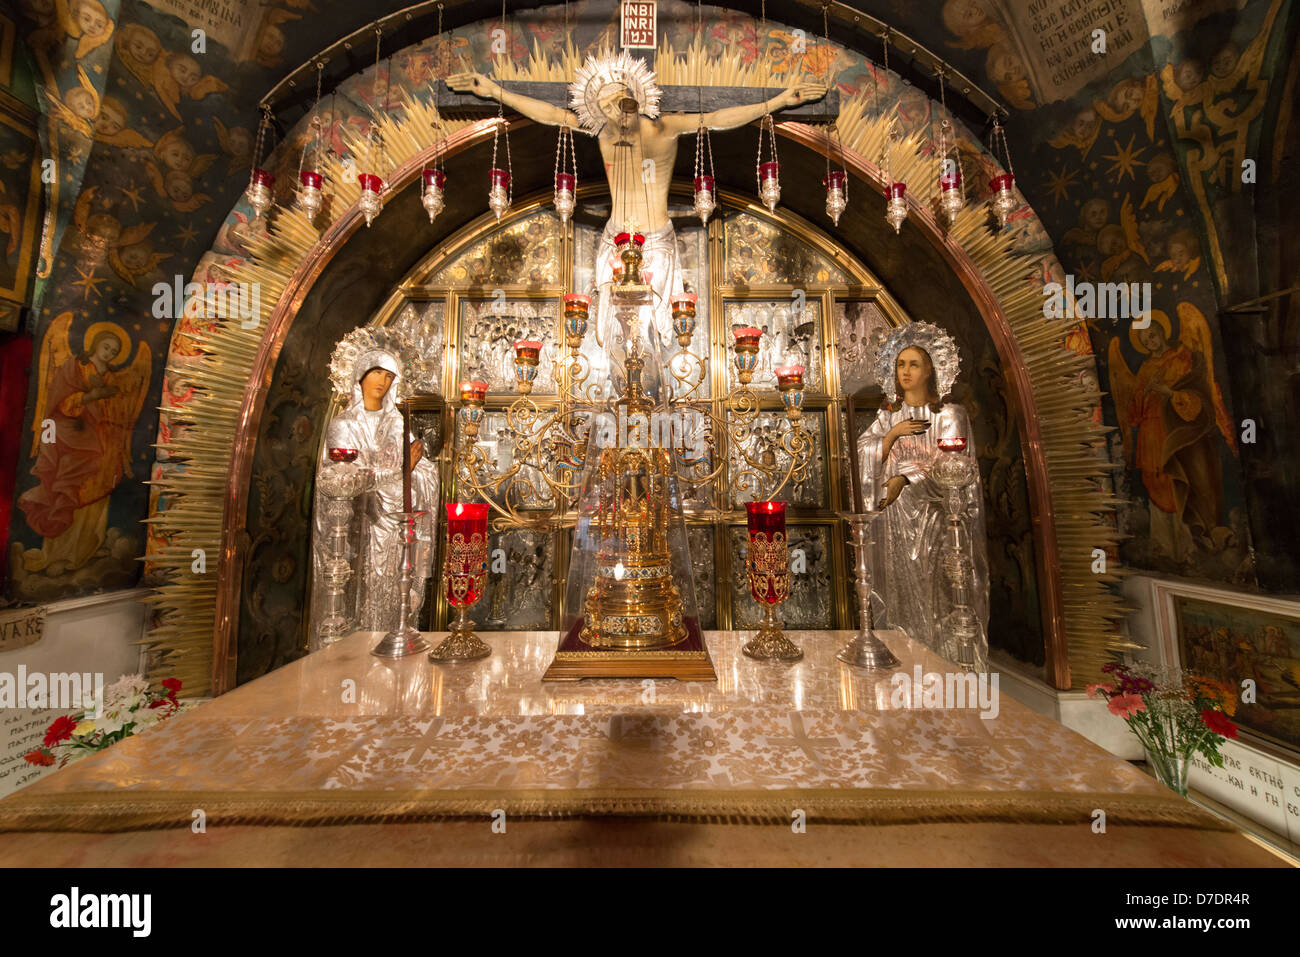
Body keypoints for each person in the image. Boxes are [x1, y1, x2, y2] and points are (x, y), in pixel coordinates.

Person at [448, 53, 825, 370]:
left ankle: (653, 384)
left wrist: (777, 102)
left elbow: (718, 118)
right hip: (615, 239)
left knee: (655, 326)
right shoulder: (603, 133)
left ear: (636, 98)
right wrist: (495, 91)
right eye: (608, 105)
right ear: (598, 108)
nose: (618, 110)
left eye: (623, 100)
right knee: (612, 327)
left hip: (656, 239)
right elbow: (548, 113)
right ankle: (618, 383)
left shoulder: (663, 128)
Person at [856, 322, 989, 669]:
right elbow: (863, 453)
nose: (905, 372)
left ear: (931, 369)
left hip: (937, 519)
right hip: (894, 520)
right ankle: (902, 657)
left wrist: (906, 476)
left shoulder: (949, 414)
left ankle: (943, 662)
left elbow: (954, 468)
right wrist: (893, 434)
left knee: (940, 587)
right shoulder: (888, 417)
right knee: (899, 590)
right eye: (900, 365)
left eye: (914, 364)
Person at [309, 337, 440, 642]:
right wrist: (398, 470)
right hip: (357, 525)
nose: (383, 381)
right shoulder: (344, 425)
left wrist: (412, 471)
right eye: (378, 373)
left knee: (394, 586)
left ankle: (395, 639)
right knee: (359, 589)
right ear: (360, 375)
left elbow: (422, 468)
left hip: (395, 524)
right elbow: (342, 478)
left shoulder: (397, 423)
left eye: (390, 376)